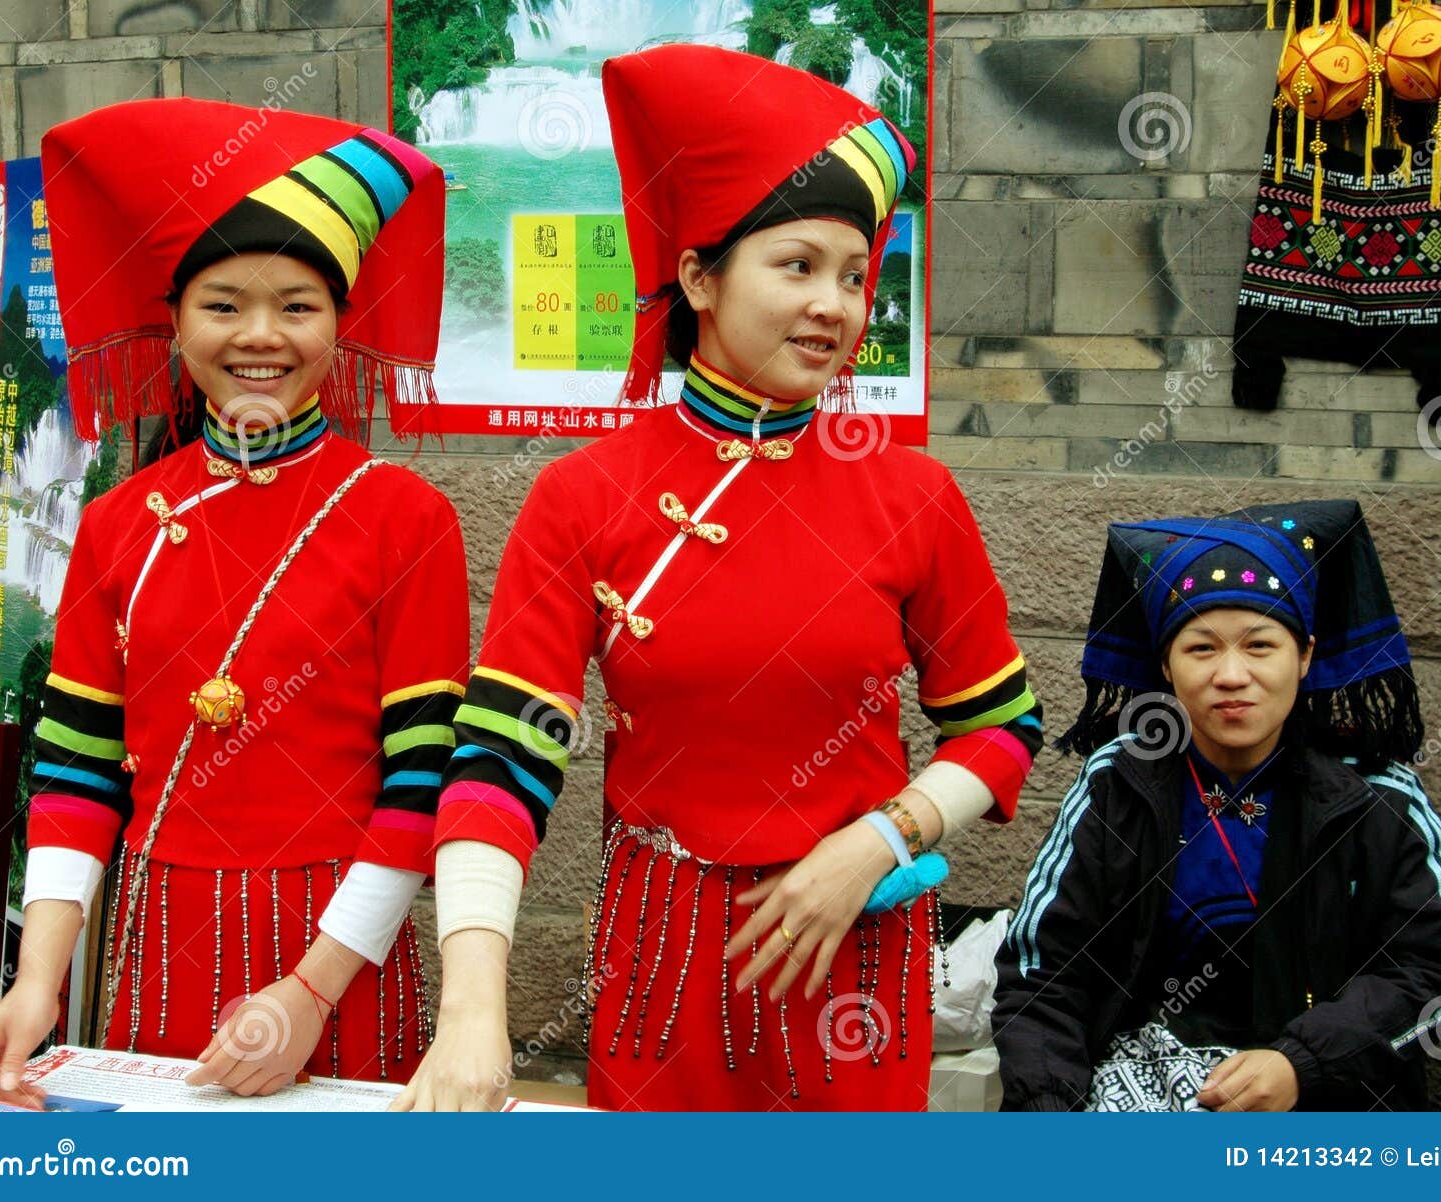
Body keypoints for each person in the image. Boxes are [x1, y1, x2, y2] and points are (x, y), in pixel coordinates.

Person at [393, 44, 1043, 1112]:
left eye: (851, 275)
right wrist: (473, 1009)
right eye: (795, 266)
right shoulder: (584, 494)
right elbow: (500, 763)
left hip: (858, 954)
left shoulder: (911, 493)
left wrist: (882, 835)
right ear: (699, 277)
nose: (834, 305)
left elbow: (1003, 726)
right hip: (662, 959)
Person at [0, 98, 467, 1103]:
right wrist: (36, 982)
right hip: (157, 933)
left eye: (298, 306)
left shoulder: (404, 515)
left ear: (341, 321)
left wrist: (313, 990)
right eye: (224, 304)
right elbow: (74, 770)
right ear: (176, 320)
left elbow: (422, 788)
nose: (260, 336)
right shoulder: (119, 521)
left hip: (337, 949)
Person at [994, 500, 1441, 1111]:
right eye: (1201, 648)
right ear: (1166, 666)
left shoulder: (1376, 798)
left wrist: (1300, 1064)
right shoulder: (1118, 782)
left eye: (1259, 646)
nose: (1231, 675)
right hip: (1136, 1089)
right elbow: (1044, 976)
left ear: (1303, 656)